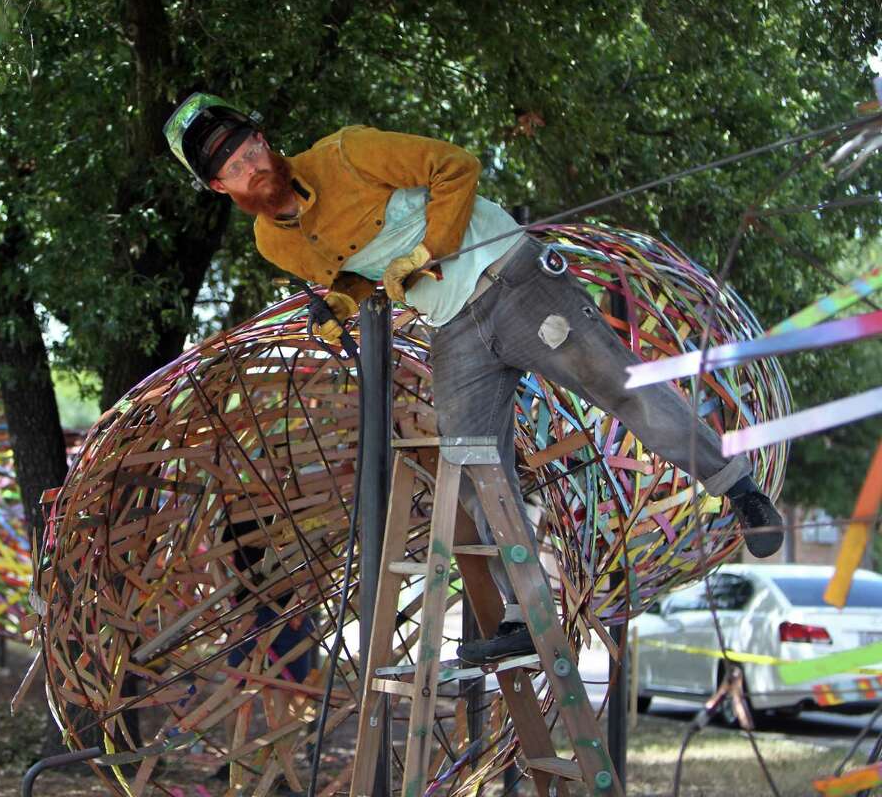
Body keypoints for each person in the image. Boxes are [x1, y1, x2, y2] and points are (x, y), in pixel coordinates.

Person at [162, 94, 784, 664]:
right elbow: (351, 273)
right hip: (452, 326)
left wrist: (427, 250)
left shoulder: (347, 153)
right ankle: (524, 617)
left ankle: (738, 489)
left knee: (620, 384)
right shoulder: (273, 243)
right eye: (234, 168)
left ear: (265, 139)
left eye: (250, 150)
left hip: (513, 277)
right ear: (220, 187)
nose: (251, 167)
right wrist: (342, 300)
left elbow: (455, 166)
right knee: (473, 467)